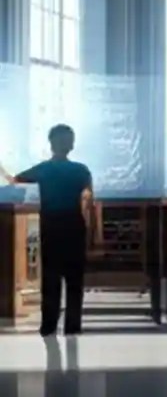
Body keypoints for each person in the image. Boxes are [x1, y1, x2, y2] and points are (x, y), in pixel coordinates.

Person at [0, 125, 94, 336]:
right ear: (72, 144)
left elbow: (15, 181)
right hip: (74, 225)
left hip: (50, 225)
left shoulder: (42, 169)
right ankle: (73, 326)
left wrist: (3, 170)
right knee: (74, 280)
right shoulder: (81, 170)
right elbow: (88, 201)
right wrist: (91, 233)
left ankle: (49, 325)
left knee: (50, 278)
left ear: (50, 144)